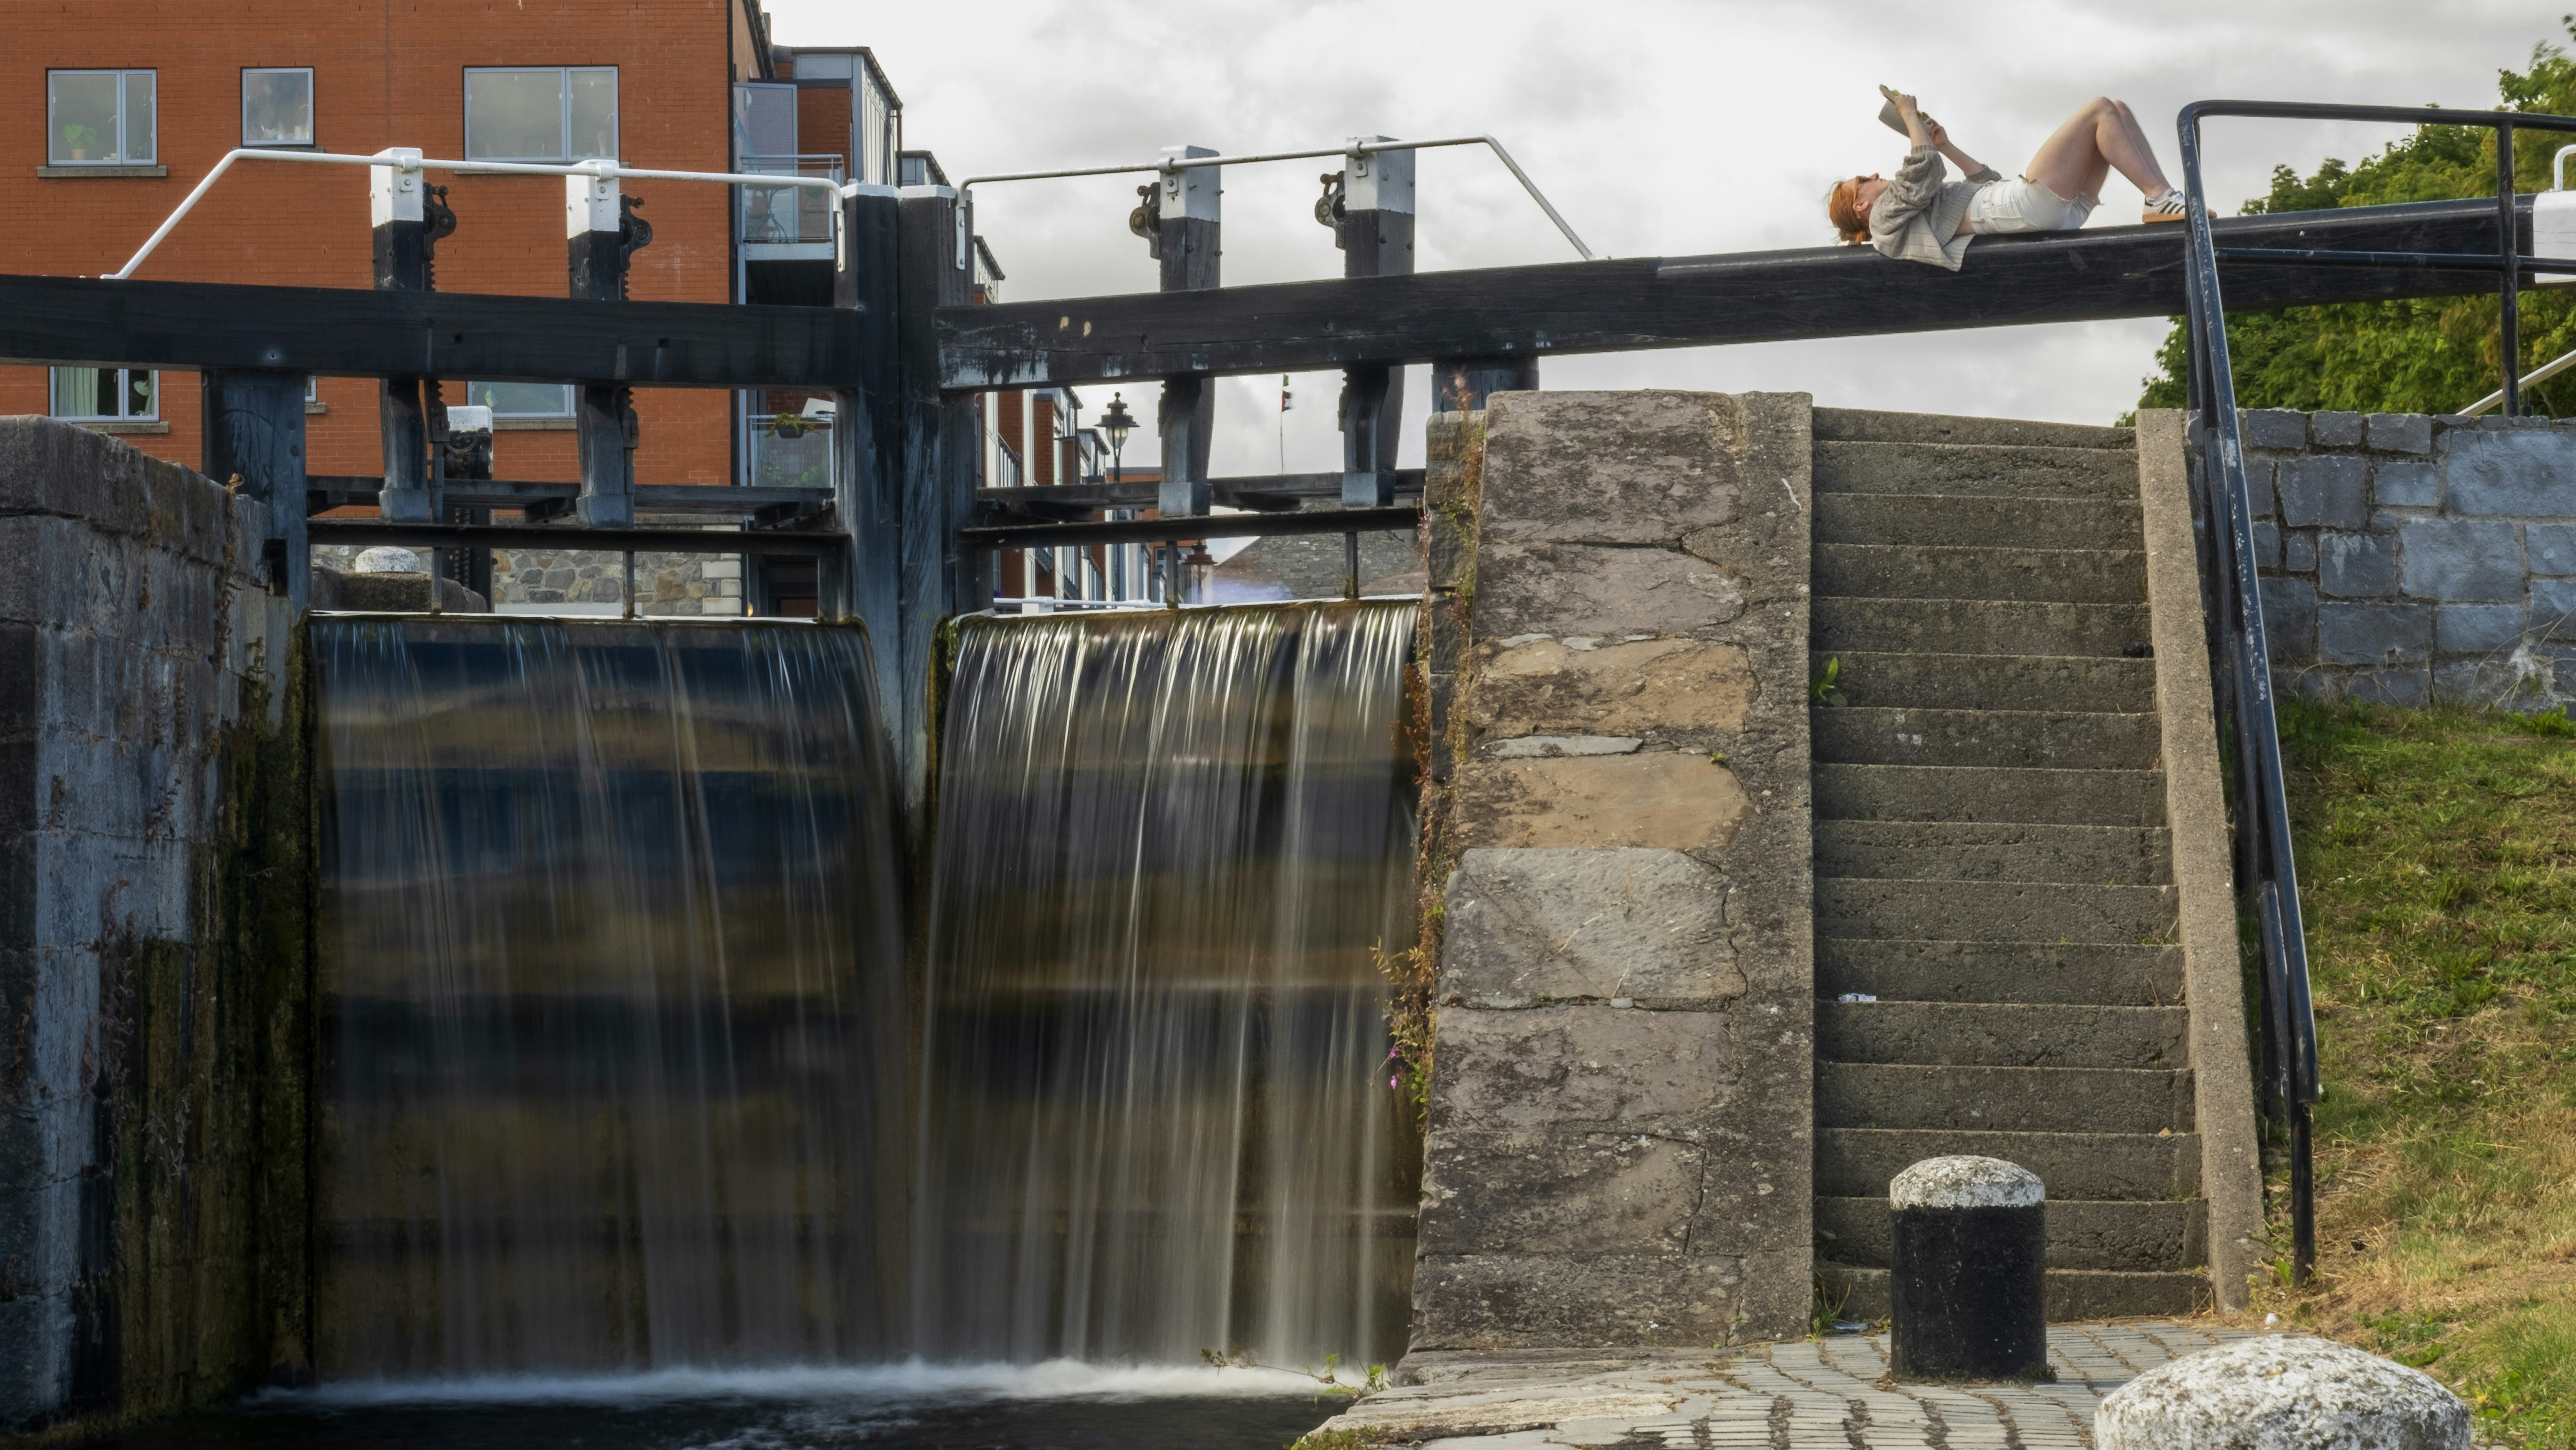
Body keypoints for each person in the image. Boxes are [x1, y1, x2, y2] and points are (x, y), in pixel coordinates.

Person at [1828, 88, 2188, 270]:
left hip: (2042, 212)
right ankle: (2159, 197)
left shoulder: (1908, 212)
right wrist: (1908, 116)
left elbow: (1988, 184)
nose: (1875, 175)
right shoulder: (1882, 220)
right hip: (2026, 207)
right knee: (2100, 109)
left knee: (2118, 112)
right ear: (1861, 204)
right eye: (1864, 180)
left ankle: (2165, 198)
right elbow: (1923, 170)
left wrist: (1945, 145)